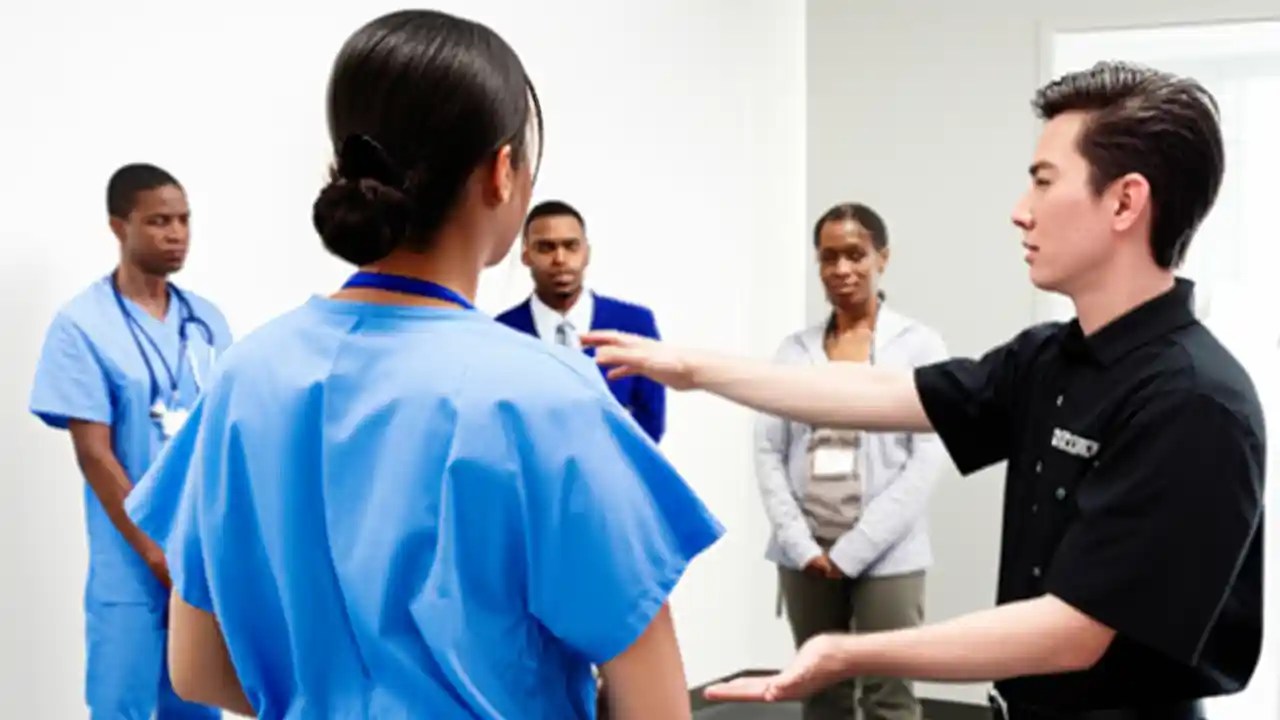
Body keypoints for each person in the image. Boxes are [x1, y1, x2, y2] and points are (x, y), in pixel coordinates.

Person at [585, 61, 1264, 720]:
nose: (1020, 213)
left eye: (1043, 182)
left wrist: (847, 653)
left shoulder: (1194, 402)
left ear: (1124, 201)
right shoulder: (1050, 357)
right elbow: (879, 397)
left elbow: (1072, 633)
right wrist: (690, 368)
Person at [122, 10, 723, 720]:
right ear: (503, 173)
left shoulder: (246, 376)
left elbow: (196, 669)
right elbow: (654, 707)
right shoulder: (546, 397)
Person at [29, 163, 231, 719]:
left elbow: (221, 443)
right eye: (159, 221)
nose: (177, 234)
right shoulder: (83, 326)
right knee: (123, 707)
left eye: (185, 220)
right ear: (119, 227)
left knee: (197, 703)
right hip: (130, 568)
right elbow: (94, 454)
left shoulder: (207, 324)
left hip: (196, 563)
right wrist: (153, 549)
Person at [760, 202, 948, 720]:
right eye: (829, 257)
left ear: (882, 258)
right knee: (821, 689)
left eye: (855, 255)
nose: (842, 270)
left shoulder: (919, 345)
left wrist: (857, 548)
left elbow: (927, 458)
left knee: (890, 693)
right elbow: (769, 451)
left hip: (889, 553)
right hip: (807, 553)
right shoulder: (794, 351)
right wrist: (801, 544)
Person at [497, 200, 666, 442]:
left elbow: (651, 422)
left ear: (586, 253)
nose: (560, 258)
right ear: (526, 255)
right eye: (545, 247)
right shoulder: (502, 332)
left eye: (571, 246)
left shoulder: (633, 323)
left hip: (615, 476)